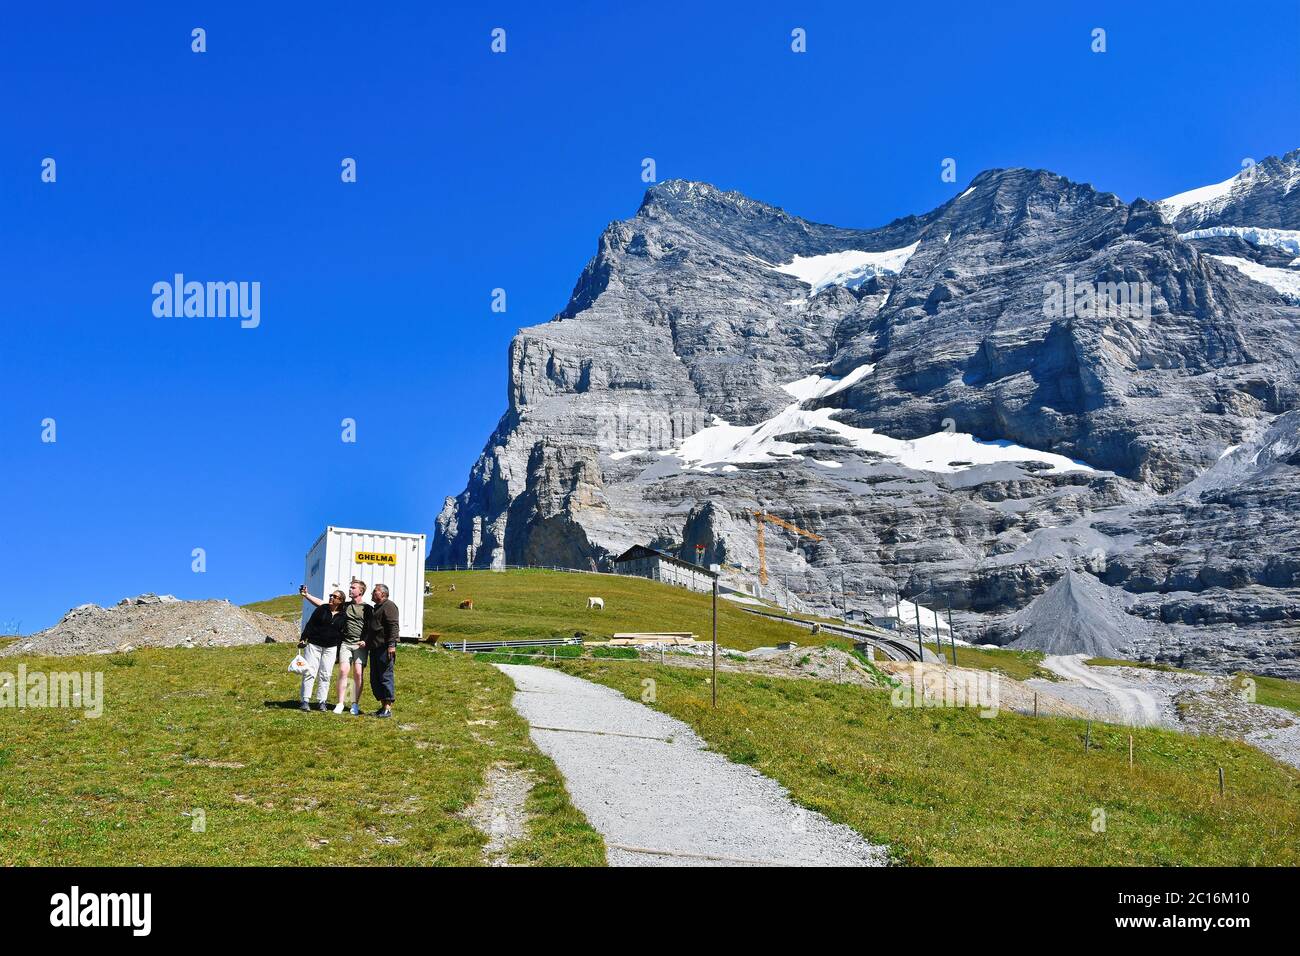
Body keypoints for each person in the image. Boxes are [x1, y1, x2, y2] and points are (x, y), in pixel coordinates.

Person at [303, 579, 371, 716]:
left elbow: (371, 626)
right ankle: (340, 703)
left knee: (357, 673)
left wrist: (366, 640)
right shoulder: (345, 606)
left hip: (360, 645)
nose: (350, 589)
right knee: (344, 671)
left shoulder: (368, 608)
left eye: (353, 588)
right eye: (350, 587)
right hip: (345, 643)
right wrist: (307, 595)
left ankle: (354, 704)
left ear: (361, 591)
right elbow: (323, 604)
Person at [296, 587, 346, 712]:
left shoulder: (343, 615)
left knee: (326, 674)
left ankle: (322, 701)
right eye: (331, 595)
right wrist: (303, 638)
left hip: (331, 648)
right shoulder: (321, 609)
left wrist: (338, 653)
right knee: (310, 672)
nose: (331, 597)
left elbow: (341, 635)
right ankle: (305, 700)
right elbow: (310, 624)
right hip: (314, 644)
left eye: (334, 597)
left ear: (340, 601)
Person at [365, 583, 399, 718]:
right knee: (375, 678)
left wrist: (392, 645)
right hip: (374, 648)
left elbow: (393, 626)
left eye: (375, 591)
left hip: (384, 648)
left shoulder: (389, 605)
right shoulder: (377, 608)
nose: (372, 593)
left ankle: (388, 708)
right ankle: (383, 706)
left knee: (385, 676)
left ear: (383, 594)